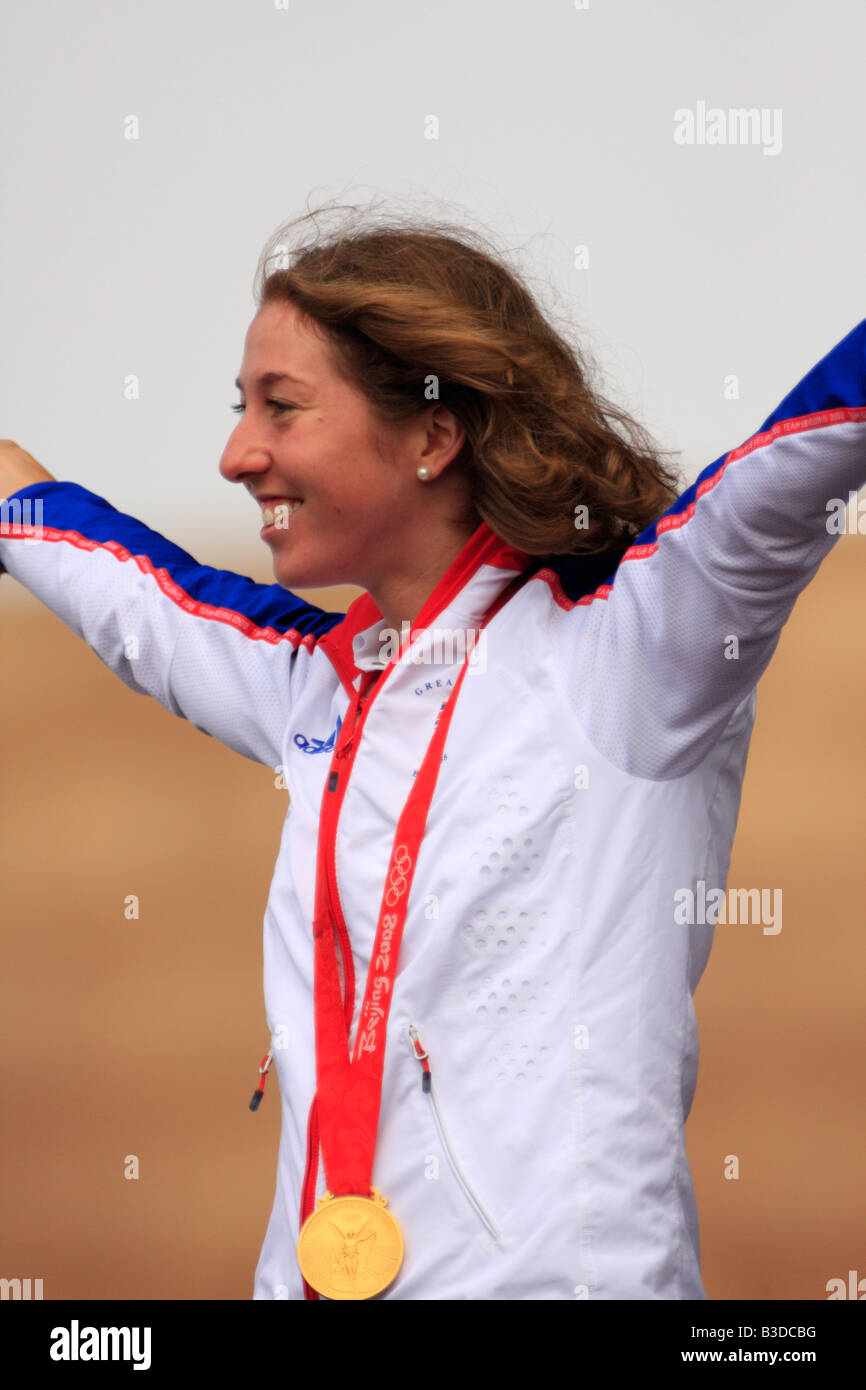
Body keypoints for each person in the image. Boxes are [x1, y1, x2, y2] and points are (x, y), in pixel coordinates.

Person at [1, 206, 864, 1300]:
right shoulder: (314, 683)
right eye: (240, 408)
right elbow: (121, 587)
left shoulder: (634, 657)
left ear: (427, 435)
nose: (235, 455)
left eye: (282, 408)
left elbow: (795, 460)